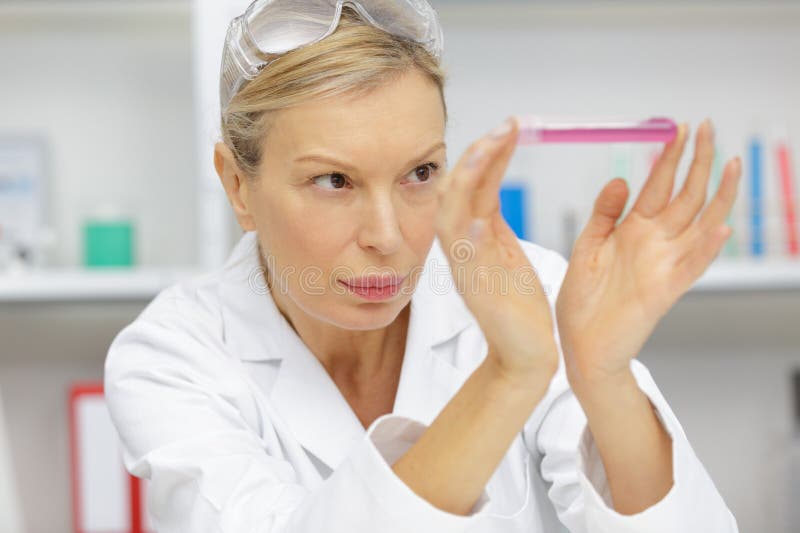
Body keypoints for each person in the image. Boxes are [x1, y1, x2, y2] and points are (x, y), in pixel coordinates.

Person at [104, 1, 740, 531]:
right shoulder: (172, 356)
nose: (388, 236)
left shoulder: (533, 292)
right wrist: (509, 376)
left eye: (419, 173)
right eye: (333, 180)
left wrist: (604, 376)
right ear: (237, 186)